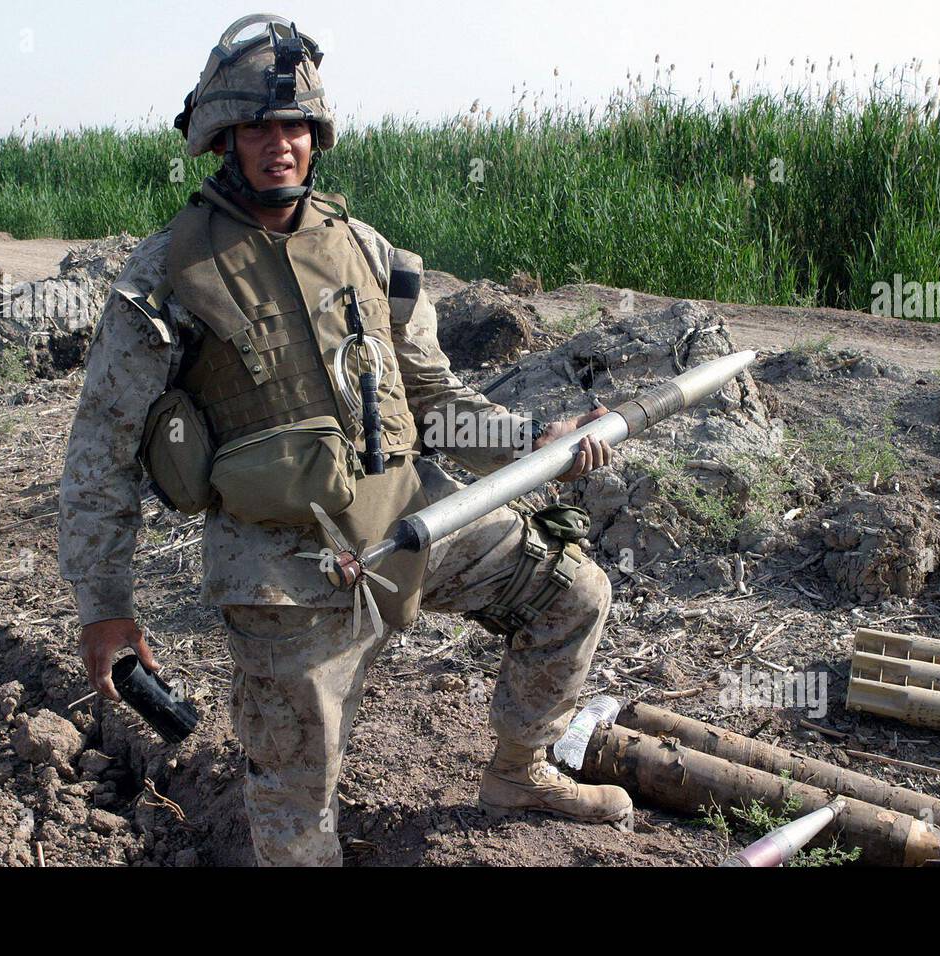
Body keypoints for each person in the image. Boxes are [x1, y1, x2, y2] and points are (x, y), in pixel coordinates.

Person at [58, 14, 632, 866]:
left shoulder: (367, 251)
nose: (277, 144)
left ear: (317, 134)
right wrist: (105, 607)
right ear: (222, 137)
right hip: (279, 565)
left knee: (571, 592)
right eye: (256, 125)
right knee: (297, 806)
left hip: (412, 520)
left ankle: (519, 769)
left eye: (293, 125)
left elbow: (434, 398)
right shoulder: (165, 277)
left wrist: (529, 444)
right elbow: (100, 452)